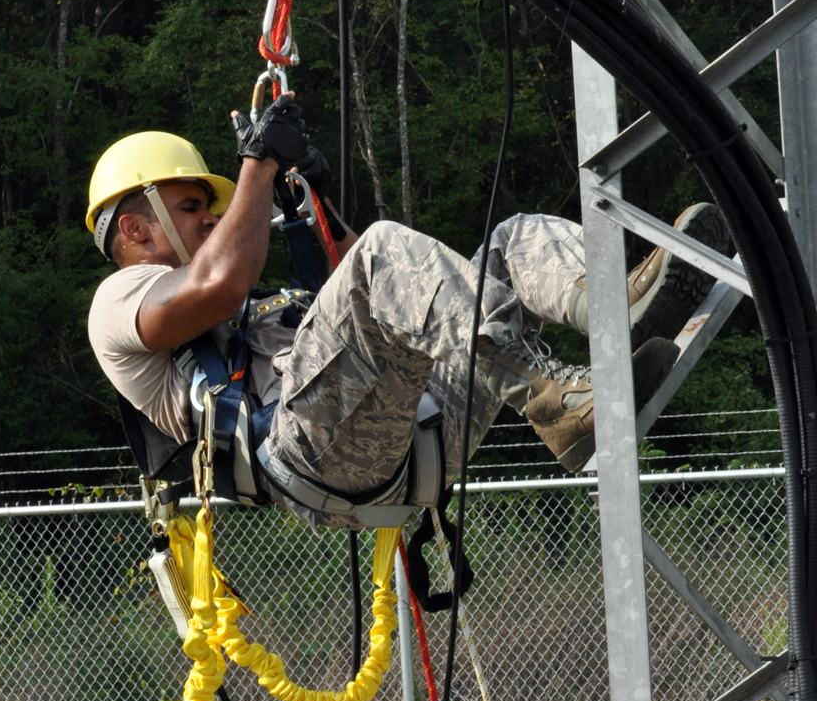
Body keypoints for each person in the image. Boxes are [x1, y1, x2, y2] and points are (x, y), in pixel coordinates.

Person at [85, 98, 702, 527]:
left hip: (411, 427)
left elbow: (379, 285)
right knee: (383, 248)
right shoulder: (119, 301)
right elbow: (219, 284)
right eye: (192, 206)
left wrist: (318, 197)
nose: (212, 217)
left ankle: (617, 314)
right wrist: (259, 163)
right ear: (137, 228)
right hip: (308, 454)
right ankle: (555, 404)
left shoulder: (241, 300)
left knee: (512, 241)